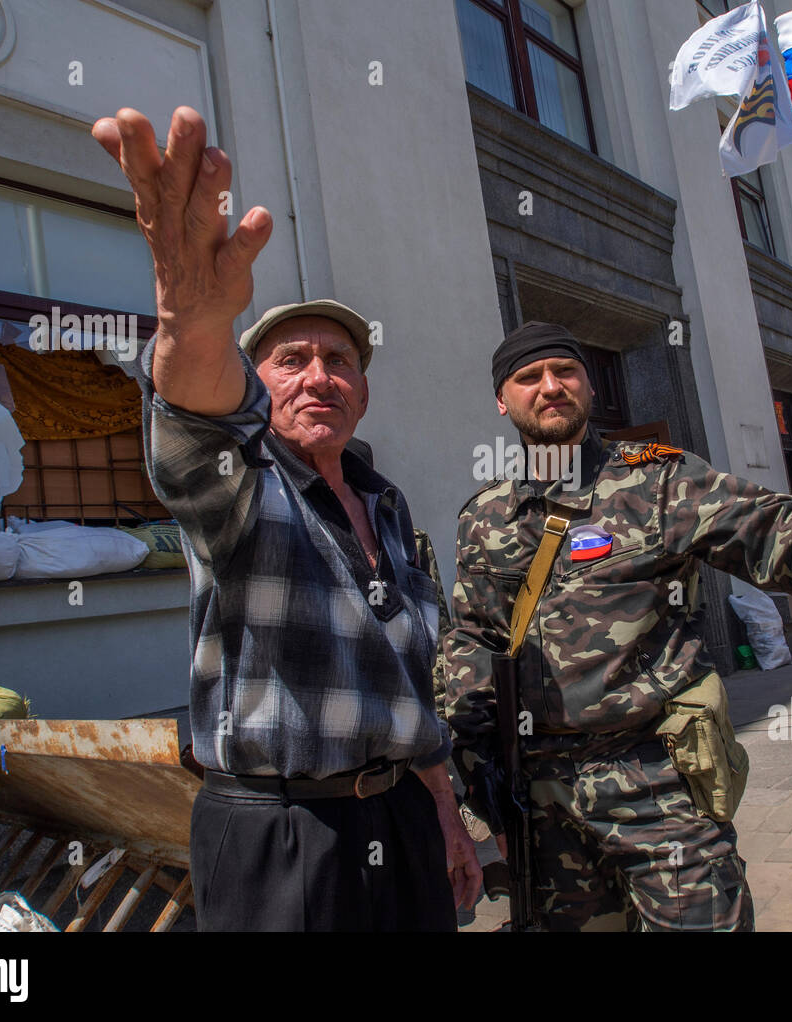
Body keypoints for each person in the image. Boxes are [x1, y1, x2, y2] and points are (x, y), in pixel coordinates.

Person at [90, 105, 479, 931]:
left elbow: (410, 687)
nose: (318, 377)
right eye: (290, 360)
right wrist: (191, 321)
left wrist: (445, 814)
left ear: (362, 393)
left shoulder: (386, 505)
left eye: (339, 361)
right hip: (280, 831)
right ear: (256, 388)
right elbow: (195, 419)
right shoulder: (241, 487)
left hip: (401, 815)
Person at [444, 321, 792, 931]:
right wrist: (481, 780)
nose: (551, 386)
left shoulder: (659, 483)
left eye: (566, 371)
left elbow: (770, 530)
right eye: (529, 377)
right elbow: (473, 642)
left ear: (588, 385)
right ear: (502, 401)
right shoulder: (486, 517)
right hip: (541, 803)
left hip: (657, 783)